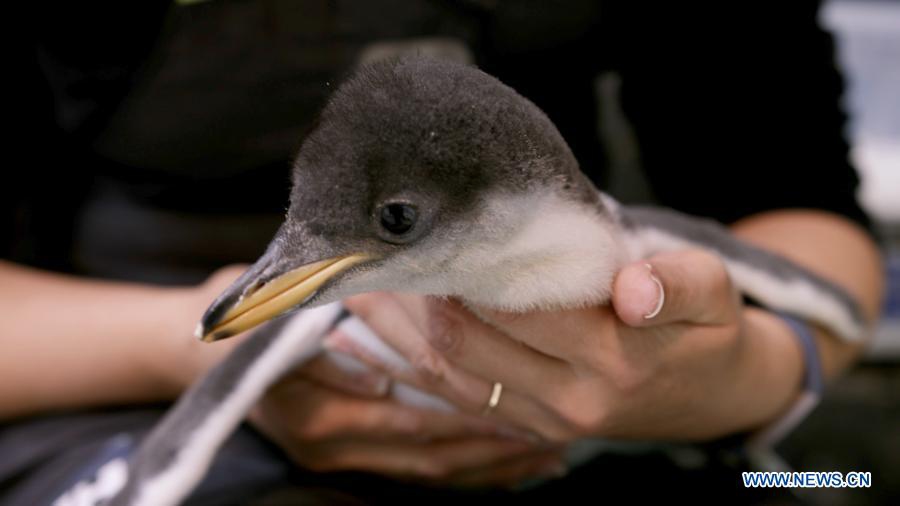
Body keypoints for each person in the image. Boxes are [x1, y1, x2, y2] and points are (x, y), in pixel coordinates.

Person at [2, 1, 883, 504]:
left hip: (654, 428)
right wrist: (193, 347)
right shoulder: (336, 289)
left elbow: (799, 208)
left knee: (822, 478)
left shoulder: (604, 236)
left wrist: (748, 378)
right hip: (113, 381)